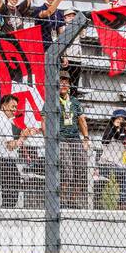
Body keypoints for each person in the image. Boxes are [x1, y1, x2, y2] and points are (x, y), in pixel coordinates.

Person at [57, 76, 90, 207]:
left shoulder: (75, 102)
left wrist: (86, 138)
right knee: (67, 169)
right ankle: (62, 200)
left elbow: (82, 120)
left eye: (66, 82)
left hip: (75, 138)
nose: (64, 84)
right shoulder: (52, 101)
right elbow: (45, 120)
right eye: (61, 82)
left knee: (81, 167)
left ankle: (73, 200)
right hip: (60, 138)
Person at [0, 94, 28, 208]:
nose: (15, 110)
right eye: (12, 107)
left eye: (16, 107)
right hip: (5, 160)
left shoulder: (0, 118)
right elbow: (11, 145)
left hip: (3, 159)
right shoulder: (3, 120)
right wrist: (22, 138)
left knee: (9, 194)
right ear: (3, 106)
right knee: (10, 197)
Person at [99, 108, 126, 209]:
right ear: (113, 120)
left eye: (123, 119)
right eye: (118, 119)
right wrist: (114, 127)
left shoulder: (125, 132)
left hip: (120, 167)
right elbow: (104, 141)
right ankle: (122, 203)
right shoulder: (109, 129)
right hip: (106, 166)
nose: (120, 121)